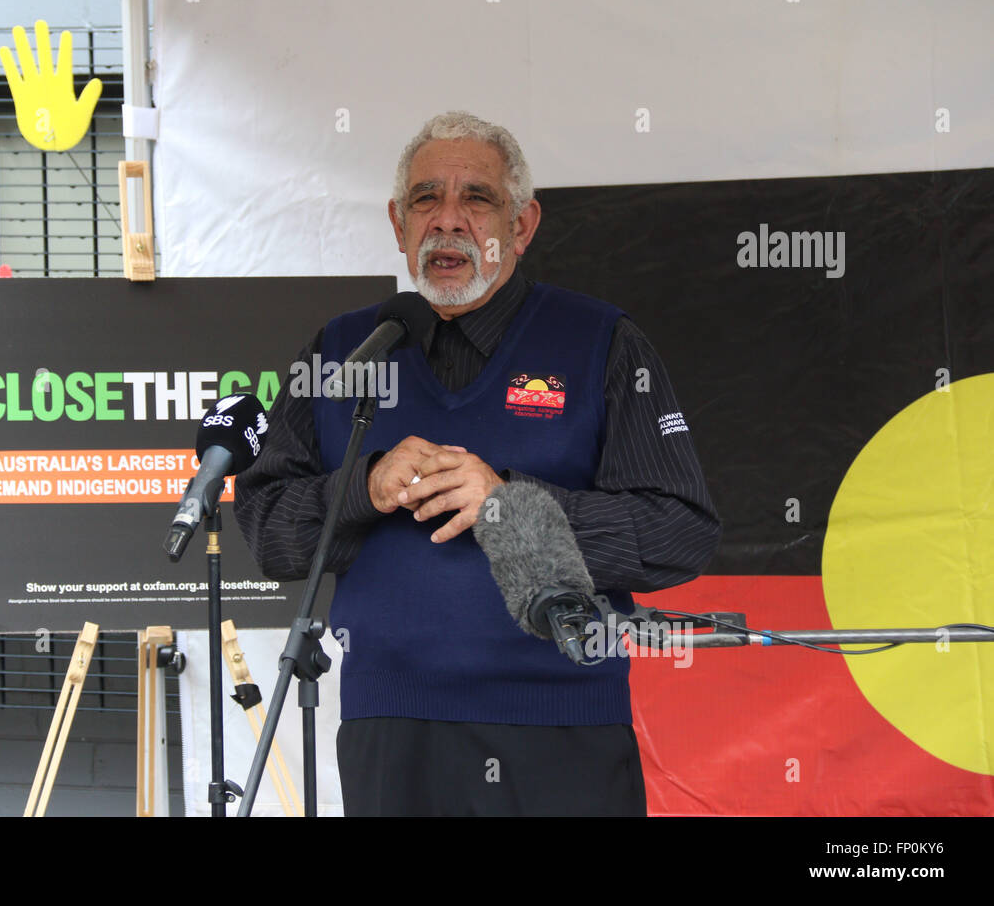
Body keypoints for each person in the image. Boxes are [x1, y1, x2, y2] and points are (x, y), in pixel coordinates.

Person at [234, 110, 720, 815]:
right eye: (427, 199)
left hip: (564, 731)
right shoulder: (343, 352)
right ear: (399, 224)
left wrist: (511, 503)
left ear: (521, 226)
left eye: (478, 199)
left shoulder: (601, 342)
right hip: (391, 733)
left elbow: (683, 532)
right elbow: (270, 531)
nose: (448, 219)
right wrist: (364, 487)